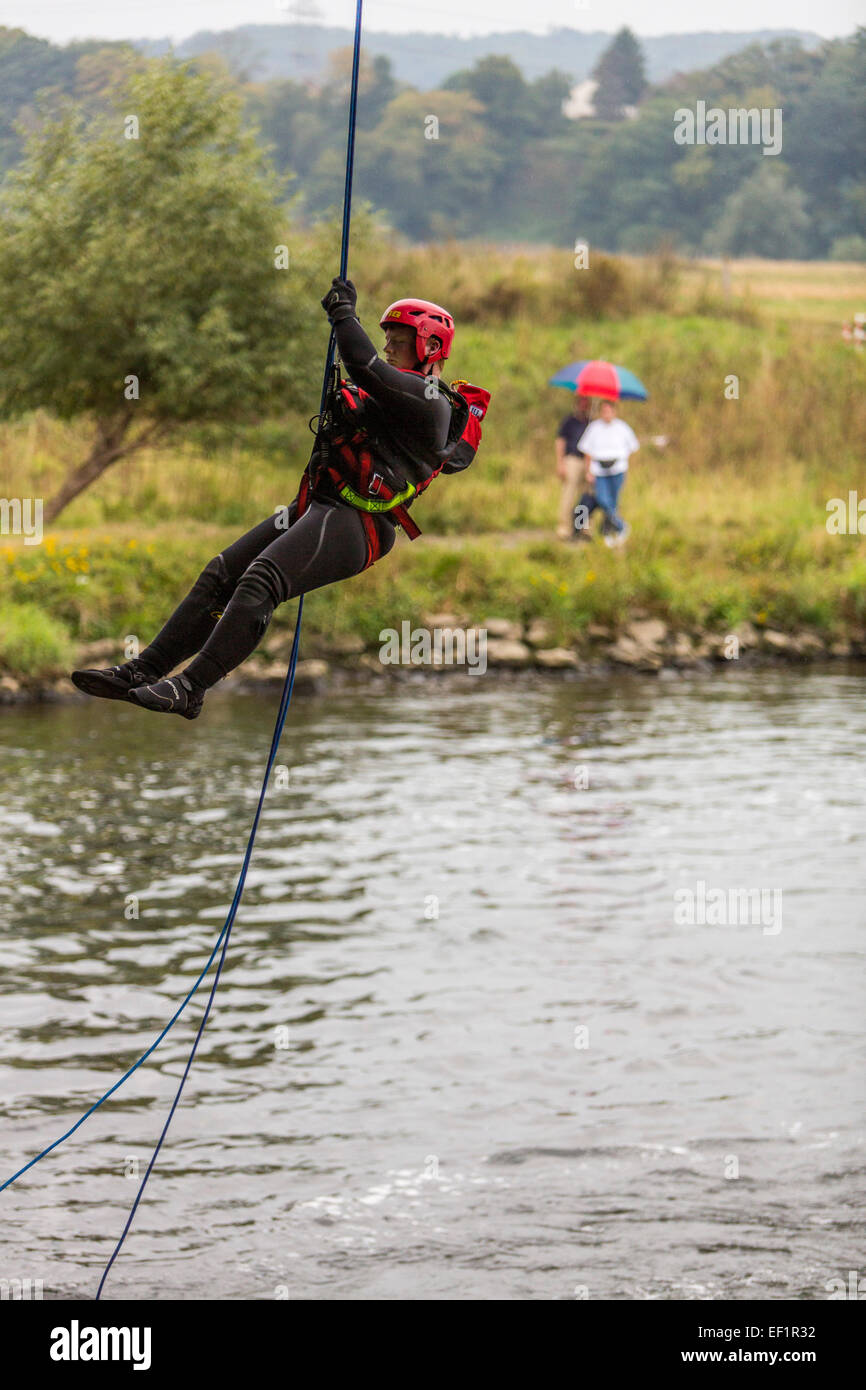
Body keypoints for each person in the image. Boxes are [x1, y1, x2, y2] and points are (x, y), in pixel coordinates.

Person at [71, 280, 490, 718]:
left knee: (262, 580)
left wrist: (345, 315)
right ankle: (143, 671)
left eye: (398, 343)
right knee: (221, 575)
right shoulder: (394, 392)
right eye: (386, 341)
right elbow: (369, 383)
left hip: (358, 525)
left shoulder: (431, 403)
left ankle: (190, 689)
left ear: (429, 348)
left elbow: (364, 365)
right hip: (317, 506)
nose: (387, 349)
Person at [574, 398, 639, 547]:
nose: (606, 414)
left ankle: (609, 533)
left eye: (609, 410)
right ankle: (620, 527)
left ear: (614, 411)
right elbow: (587, 450)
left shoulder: (622, 427)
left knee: (612, 503)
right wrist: (588, 471)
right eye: (603, 411)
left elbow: (632, 447)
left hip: (617, 469)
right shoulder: (594, 428)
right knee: (602, 500)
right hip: (599, 471)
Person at [554, 394, 592, 540]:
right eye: (581, 403)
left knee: (584, 497)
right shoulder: (569, 421)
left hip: (588, 462)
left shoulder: (591, 423)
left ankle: (581, 526)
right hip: (572, 460)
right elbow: (560, 441)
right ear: (577, 404)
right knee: (568, 494)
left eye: (586, 403)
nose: (583, 406)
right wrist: (560, 462)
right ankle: (564, 528)